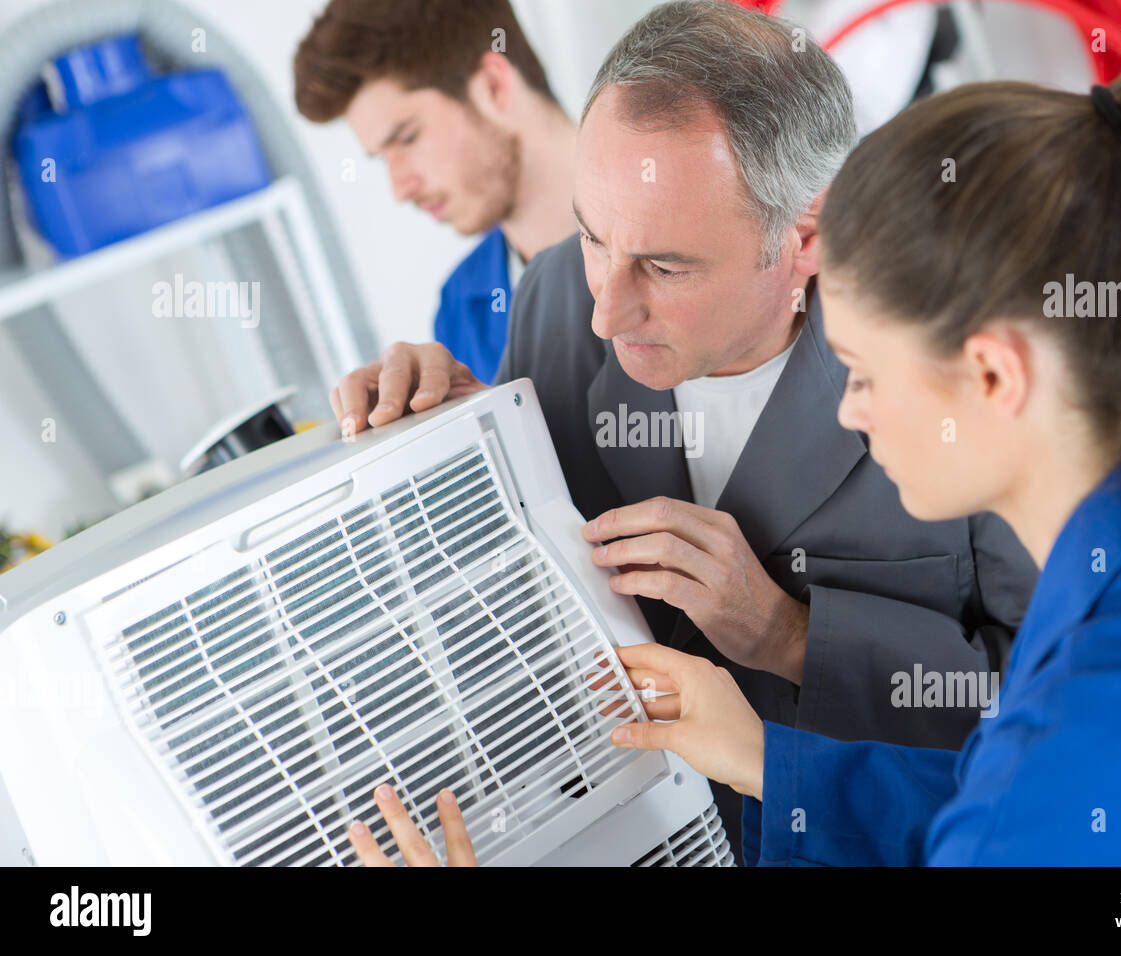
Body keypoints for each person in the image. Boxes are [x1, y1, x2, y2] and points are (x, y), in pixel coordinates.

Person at [351, 63, 1121, 867]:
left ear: (992, 373)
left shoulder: (1101, 714)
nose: (849, 407)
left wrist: (794, 638)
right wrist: (771, 759)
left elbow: (1013, 806)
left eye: (863, 371)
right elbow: (1000, 794)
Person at [332, 0, 1038, 856]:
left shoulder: (960, 370)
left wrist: (793, 636)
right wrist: (458, 445)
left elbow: (1049, 714)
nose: (606, 313)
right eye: (595, 237)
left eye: (666, 267)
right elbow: (525, 601)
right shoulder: (555, 296)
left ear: (804, 236)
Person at [294, 0, 578, 383]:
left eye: (408, 137)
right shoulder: (460, 311)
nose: (400, 188)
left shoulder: (677, 212)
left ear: (493, 87)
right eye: (382, 158)